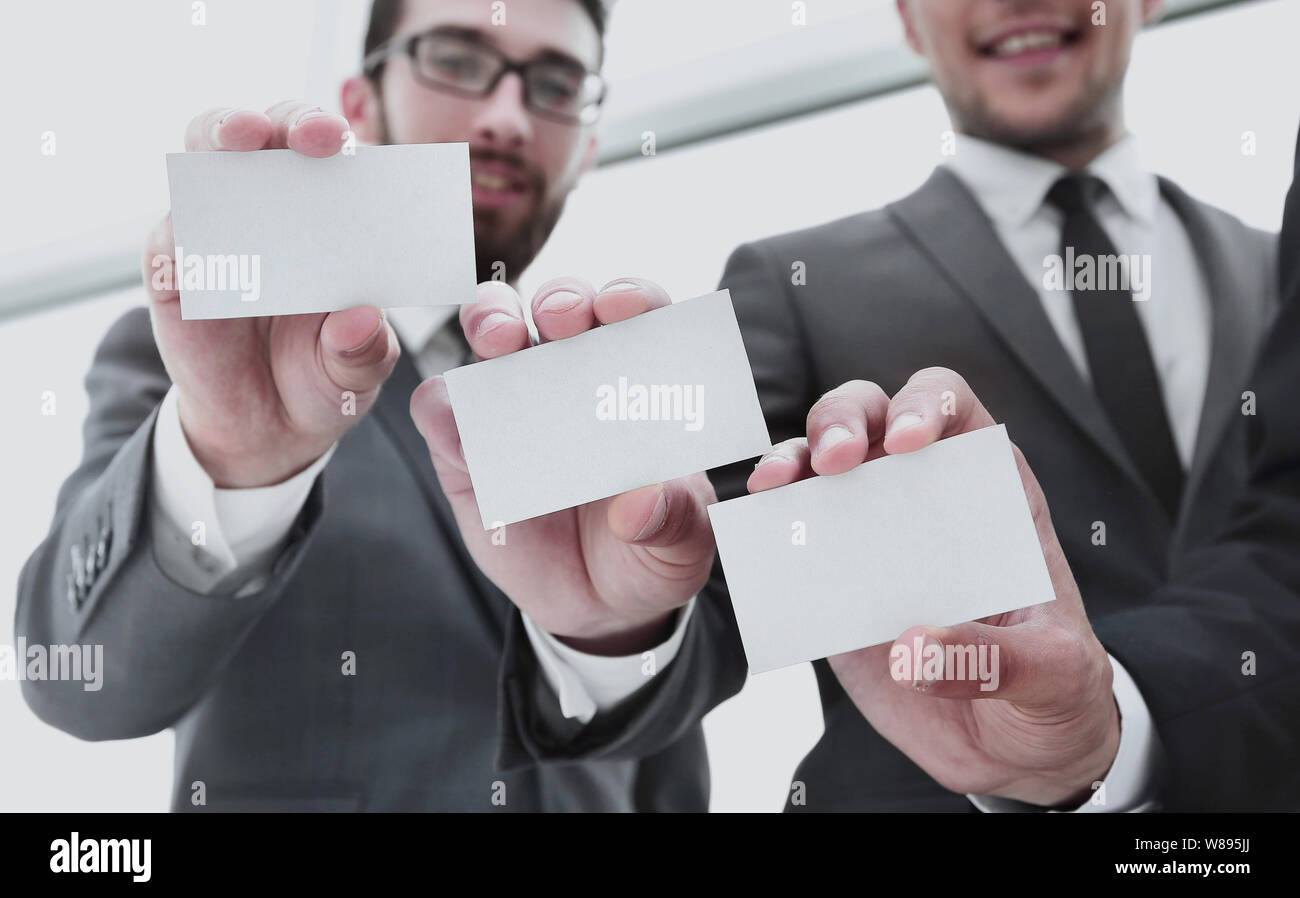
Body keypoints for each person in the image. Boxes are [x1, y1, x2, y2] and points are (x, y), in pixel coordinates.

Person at [430, 0, 1280, 811]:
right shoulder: (797, 282)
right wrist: (612, 624)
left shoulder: (1278, 276)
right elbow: (714, 589)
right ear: (909, 19)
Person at [15, 0, 724, 813]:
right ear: (358, 105)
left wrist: (614, 639)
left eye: (556, 84)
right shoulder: (207, 361)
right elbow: (83, 680)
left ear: (588, 147)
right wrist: (233, 454)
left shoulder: (618, 411)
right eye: (457, 60)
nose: (506, 117)